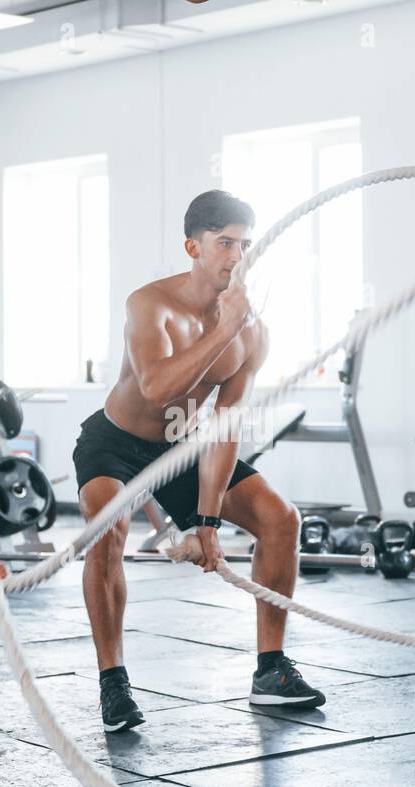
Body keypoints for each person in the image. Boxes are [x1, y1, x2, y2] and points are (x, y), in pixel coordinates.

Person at [72, 190, 326, 733]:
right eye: (225, 243)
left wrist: (207, 522)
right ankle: (113, 682)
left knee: (281, 520)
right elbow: (158, 388)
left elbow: (226, 425)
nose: (237, 256)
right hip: (116, 443)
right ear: (193, 246)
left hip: (184, 449)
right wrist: (223, 330)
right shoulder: (150, 305)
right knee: (108, 528)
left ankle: (271, 671)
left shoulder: (254, 332)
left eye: (246, 245)